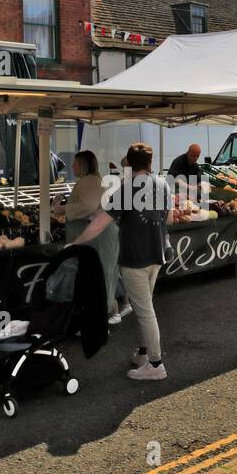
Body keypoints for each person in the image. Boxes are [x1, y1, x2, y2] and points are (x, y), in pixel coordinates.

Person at [72, 142, 173, 381]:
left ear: (128, 163)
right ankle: (143, 352)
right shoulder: (163, 185)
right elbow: (168, 218)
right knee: (144, 308)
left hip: (134, 258)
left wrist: (76, 243)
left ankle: (156, 364)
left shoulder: (125, 190)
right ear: (150, 163)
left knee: (145, 311)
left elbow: (99, 222)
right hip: (156, 255)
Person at [53, 151, 122, 323]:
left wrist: (62, 209)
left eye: (75, 163)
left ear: (83, 165)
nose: (72, 166)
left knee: (99, 276)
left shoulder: (88, 181)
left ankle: (99, 319)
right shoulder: (92, 180)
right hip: (99, 236)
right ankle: (105, 313)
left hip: (98, 237)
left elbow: (88, 206)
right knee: (102, 275)